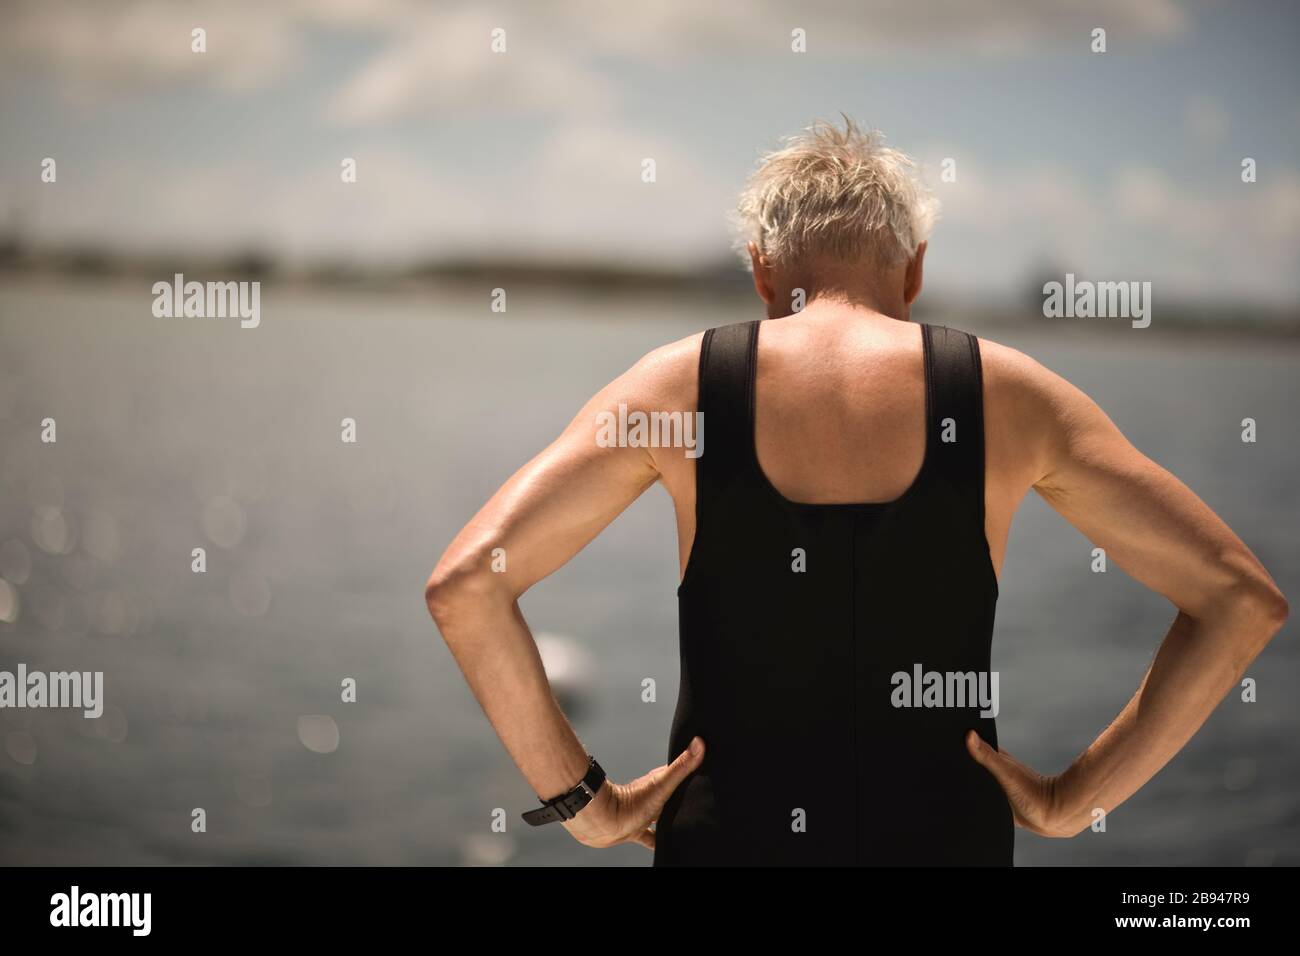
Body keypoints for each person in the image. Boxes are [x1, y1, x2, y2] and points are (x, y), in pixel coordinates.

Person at [425, 116, 1288, 865]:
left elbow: (468, 586)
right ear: (913, 270)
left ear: (763, 272)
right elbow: (1239, 600)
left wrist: (588, 805)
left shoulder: (679, 390)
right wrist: (1074, 802)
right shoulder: (1012, 399)